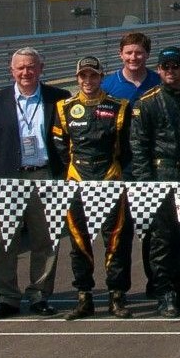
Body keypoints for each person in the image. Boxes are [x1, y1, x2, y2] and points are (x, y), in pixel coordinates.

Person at [0, 47, 69, 319]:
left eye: (31, 67)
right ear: (11, 70)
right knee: (4, 241)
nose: (26, 72)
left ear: (41, 68)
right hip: (8, 179)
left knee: (47, 239)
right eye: (20, 68)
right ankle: (6, 297)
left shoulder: (59, 98)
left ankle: (40, 294)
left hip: (46, 176)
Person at [128, 45, 180, 316]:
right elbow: (138, 146)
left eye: (176, 66)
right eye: (166, 67)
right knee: (161, 239)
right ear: (159, 70)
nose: (171, 71)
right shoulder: (146, 102)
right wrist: (145, 184)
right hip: (160, 176)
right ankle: (164, 292)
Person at [54, 55, 133, 319]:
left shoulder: (119, 107)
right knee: (78, 242)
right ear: (77, 78)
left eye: (93, 75)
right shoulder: (63, 107)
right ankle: (84, 297)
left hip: (110, 177)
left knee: (116, 240)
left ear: (101, 76)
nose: (88, 81)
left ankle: (116, 297)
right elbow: (60, 148)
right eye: (83, 76)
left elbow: (127, 149)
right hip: (76, 180)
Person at [102, 31, 161, 103]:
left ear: (147, 54)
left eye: (139, 53)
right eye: (129, 53)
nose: (133, 58)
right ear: (121, 54)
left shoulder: (159, 82)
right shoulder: (107, 86)